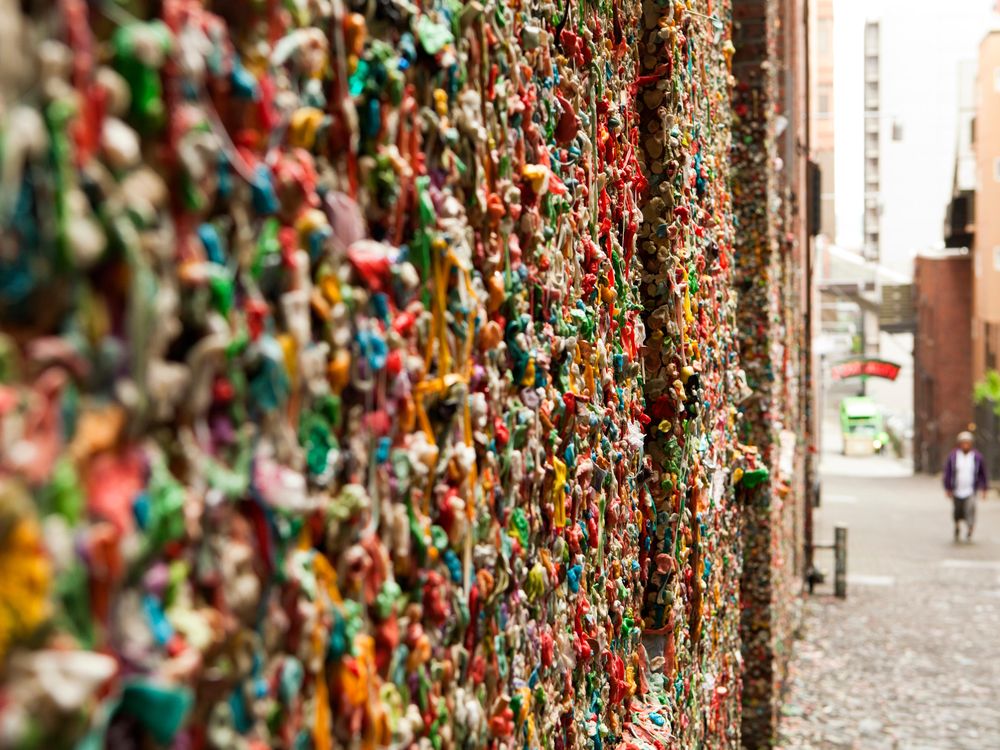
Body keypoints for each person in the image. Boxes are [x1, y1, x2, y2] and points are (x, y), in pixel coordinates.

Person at [943, 431, 988, 542]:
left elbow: (983, 473)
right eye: (963, 443)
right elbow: (948, 473)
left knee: (970, 510)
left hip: (970, 490)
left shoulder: (977, 457)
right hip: (957, 489)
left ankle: (970, 530)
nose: (965, 445)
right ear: (960, 444)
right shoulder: (954, 456)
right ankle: (957, 526)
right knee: (957, 511)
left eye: (967, 443)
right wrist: (948, 488)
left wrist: (984, 488)